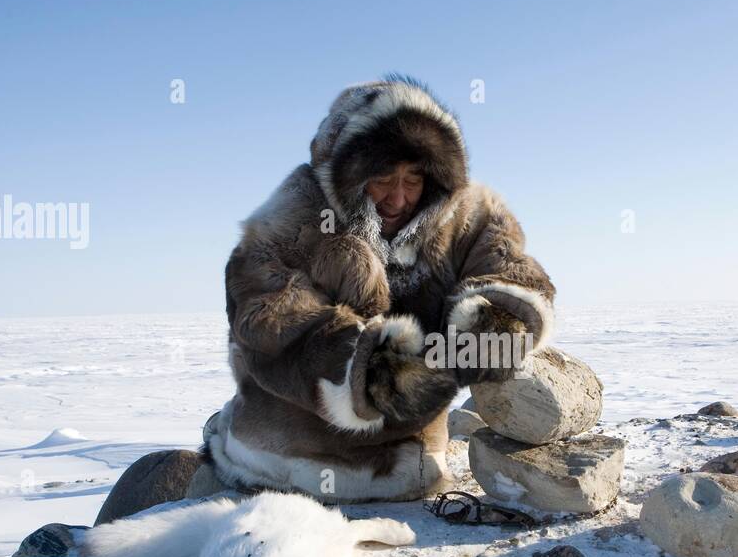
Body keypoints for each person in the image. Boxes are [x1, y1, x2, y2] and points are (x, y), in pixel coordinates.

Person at [202, 74, 556, 503]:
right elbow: (268, 319)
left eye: (414, 179)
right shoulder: (294, 216)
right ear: (347, 177)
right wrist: (370, 370)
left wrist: (493, 321)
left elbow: (509, 268)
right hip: (293, 445)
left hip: (416, 447)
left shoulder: (466, 213)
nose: (398, 198)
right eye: (382, 178)